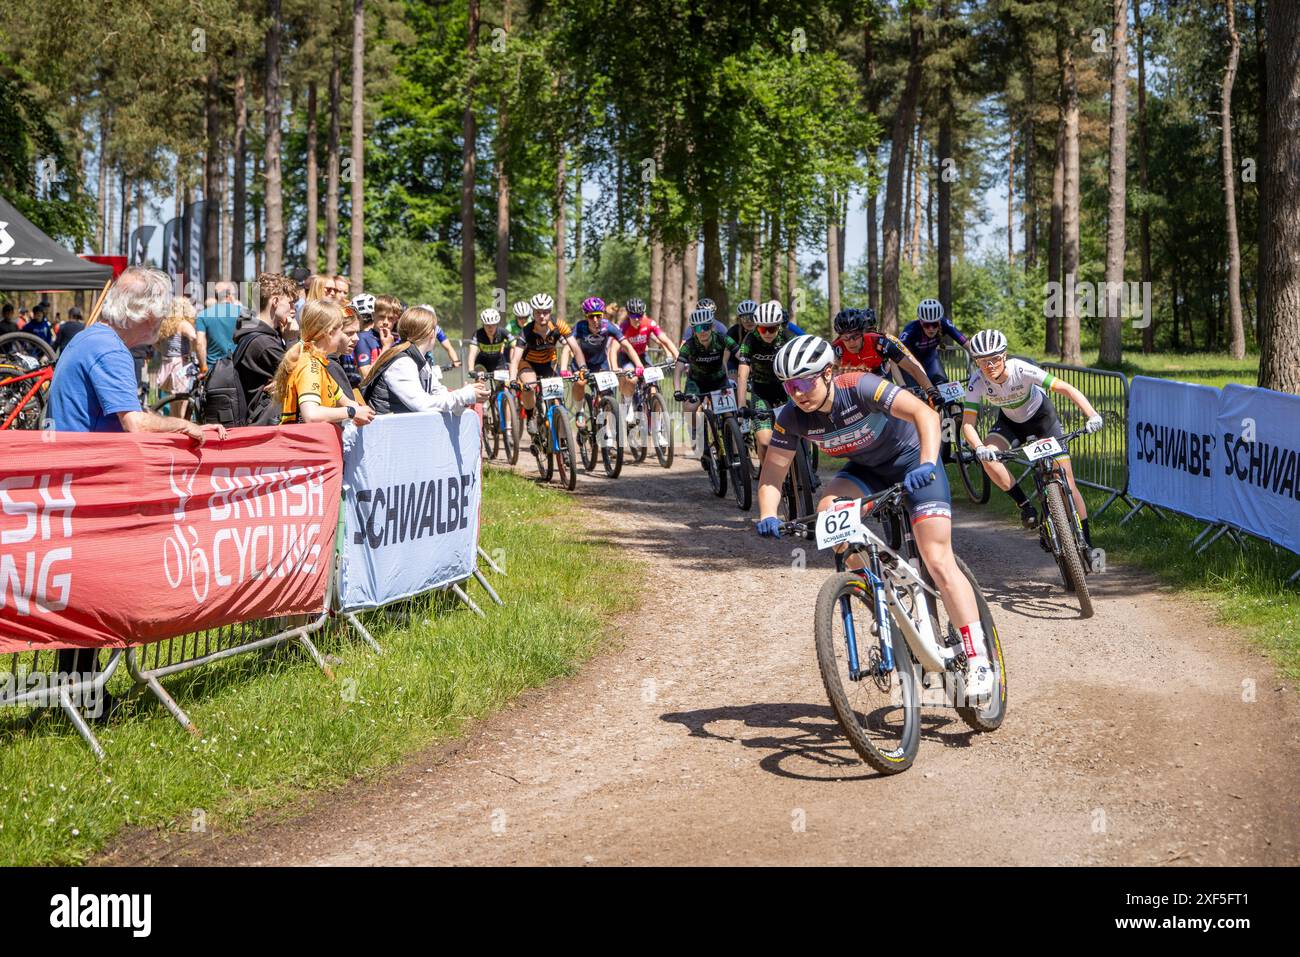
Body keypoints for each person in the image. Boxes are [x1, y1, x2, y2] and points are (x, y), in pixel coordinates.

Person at [752, 334, 995, 698]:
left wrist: (928, 463)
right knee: (826, 511)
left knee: (937, 559)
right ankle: (871, 586)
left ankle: (978, 659)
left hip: (913, 463)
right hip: (867, 471)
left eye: (804, 382)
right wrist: (769, 513)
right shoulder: (792, 417)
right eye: (789, 386)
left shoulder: (860, 386)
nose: (797, 393)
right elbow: (773, 472)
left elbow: (924, 413)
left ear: (828, 373)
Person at [960, 329, 1104, 548]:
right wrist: (979, 446)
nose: (989, 366)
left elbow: (1065, 388)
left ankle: (1088, 544)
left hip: (1042, 420)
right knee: (988, 458)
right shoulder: (977, 381)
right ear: (976, 363)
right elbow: (968, 424)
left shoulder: (1021, 369)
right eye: (982, 362)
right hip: (1010, 423)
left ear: (1004, 356)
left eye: (994, 359)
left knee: (1069, 484)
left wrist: (1092, 415)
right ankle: (1025, 505)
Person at [362, 305, 490, 414]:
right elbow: (422, 404)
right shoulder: (403, 363)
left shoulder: (421, 361)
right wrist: (464, 396)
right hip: (388, 436)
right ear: (431, 333)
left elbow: (439, 394)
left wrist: (466, 396)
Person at [273, 299, 375, 427]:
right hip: (304, 444)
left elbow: (347, 402)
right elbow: (311, 415)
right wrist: (351, 412)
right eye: (342, 331)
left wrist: (363, 411)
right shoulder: (309, 364)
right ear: (330, 333)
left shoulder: (319, 362)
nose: (356, 338)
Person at [507, 292, 587, 430]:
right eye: (538, 312)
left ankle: (561, 438)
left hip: (549, 364)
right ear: (533, 313)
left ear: (550, 312)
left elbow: (575, 348)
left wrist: (583, 368)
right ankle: (531, 415)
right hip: (528, 364)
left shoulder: (559, 325)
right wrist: (513, 380)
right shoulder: (526, 331)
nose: (542, 316)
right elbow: (515, 359)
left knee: (557, 402)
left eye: (545, 312)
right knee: (529, 386)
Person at [228, 272, 301, 424]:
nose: (294, 309)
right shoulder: (263, 343)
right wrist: (292, 340)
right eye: (291, 303)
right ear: (275, 301)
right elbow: (302, 375)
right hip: (265, 427)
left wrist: (281, 380)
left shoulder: (262, 336)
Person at [673, 308, 740, 466]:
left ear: (712, 327)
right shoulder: (689, 345)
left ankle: (737, 454)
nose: (702, 331)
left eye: (706, 327)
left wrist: (749, 368)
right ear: (693, 330)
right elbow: (678, 368)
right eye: (697, 328)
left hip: (719, 380)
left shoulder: (722, 339)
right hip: (697, 382)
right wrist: (677, 389)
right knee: (689, 408)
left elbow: (740, 355)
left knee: (729, 415)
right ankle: (698, 435)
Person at [735, 299, 796, 468]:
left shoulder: (787, 338)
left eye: (772, 329)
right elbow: (742, 374)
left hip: (785, 389)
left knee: (798, 434)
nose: (767, 333)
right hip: (761, 391)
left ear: (779, 326)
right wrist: (741, 405)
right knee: (763, 442)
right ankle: (767, 477)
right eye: (763, 329)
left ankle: (804, 469)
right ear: (757, 327)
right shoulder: (750, 339)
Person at [832, 307, 937, 401]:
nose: (851, 342)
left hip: (879, 375)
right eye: (845, 338)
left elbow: (912, 367)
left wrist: (931, 390)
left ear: (863, 332)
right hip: (852, 379)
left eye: (855, 336)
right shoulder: (836, 348)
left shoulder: (878, 342)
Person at [566, 296, 642, 411]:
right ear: (586, 316)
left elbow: (626, 346)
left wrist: (639, 365)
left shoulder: (607, 326)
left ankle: (605, 420)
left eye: (598, 315)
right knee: (580, 383)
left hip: (600, 364)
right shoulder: (580, 326)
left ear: (602, 314)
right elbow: (568, 347)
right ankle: (579, 411)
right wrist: (564, 368)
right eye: (591, 316)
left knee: (606, 397)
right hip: (582, 365)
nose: (595, 319)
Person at [617, 297, 678, 413]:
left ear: (643, 313)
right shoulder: (623, 327)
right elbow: (614, 348)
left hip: (642, 356)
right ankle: (628, 405)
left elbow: (665, 340)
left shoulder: (649, 323)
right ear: (628, 315)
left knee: (653, 387)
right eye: (633, 316)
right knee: (632, 380)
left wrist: (678, 356)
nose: (636, 319)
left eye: (639, 316)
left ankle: (656, 422)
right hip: (626, 358)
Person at [899, 297, 970, 389]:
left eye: (935, 324)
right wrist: (901, 384)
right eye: (926, 325)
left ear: (940, 321)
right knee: (916, 394)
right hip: (909, 362)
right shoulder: (910, 329)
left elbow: (967, 344)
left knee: (944, 390)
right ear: (920, 322)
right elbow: (893, 357)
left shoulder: (945, 323)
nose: (931, 329)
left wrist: (983, 360)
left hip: (930, 359)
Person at [154, 297, 200, 420]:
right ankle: (184, 426)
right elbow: (194, 337)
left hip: (167, 364)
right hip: (181, 365)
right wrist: (194, 350)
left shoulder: (164, 325)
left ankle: (175, 427)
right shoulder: (183, 324)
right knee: (184, 398)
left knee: (173, 400)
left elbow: (155, 343)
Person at [195, 281, 240, 375]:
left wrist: (203, 368)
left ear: (215, 297)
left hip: (213, 371)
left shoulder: (203, 315)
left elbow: (200, 343)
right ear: (229, 295)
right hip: (238, 369)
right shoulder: (243, 313)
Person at [466, 307, 512, 376]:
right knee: (480, 380)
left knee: (501, 384)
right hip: (482, 362)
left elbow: (516, 346)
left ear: (497, 324)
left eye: (493, 325)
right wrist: (471, 370)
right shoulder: (477, 334)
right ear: (483, 324)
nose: (490, 328)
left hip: (498, 362)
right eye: (487, 325)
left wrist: (514, 364)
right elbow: (472, 353)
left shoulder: (503, 332)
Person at [726, 299, 759, 375]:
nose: (749, 321)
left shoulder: (763, 331)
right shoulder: (733, 332)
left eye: (752, 317)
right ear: (740, 320)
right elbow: (726, 356)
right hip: (736, 363)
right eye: (745, 318)